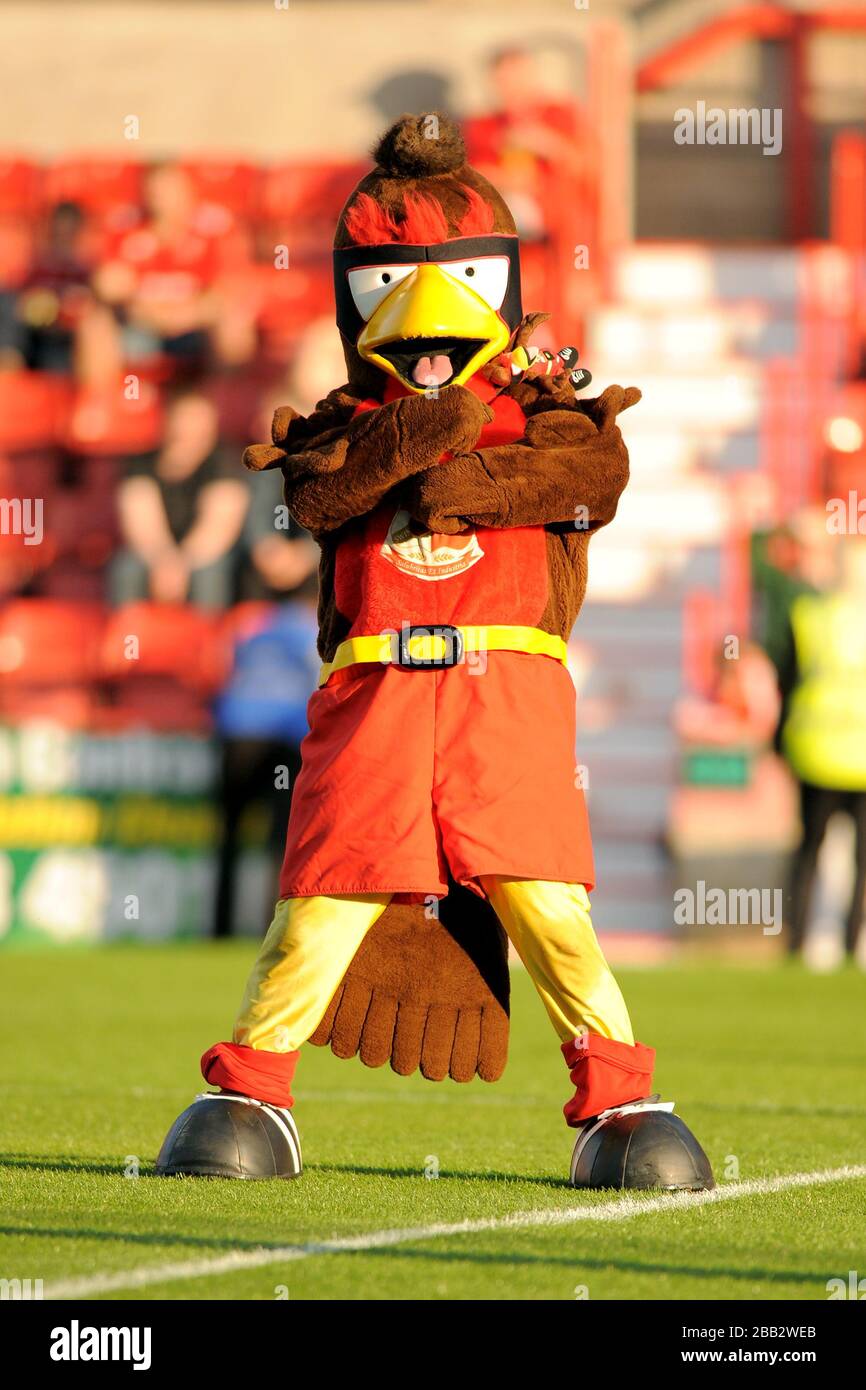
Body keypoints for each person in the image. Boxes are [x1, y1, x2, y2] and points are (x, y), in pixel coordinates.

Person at [780, 533, 866, 960]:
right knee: (862, 862)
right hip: (857, 758)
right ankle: (851, 948)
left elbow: (787, 680)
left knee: (808, 851)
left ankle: (795, 944)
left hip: (817, 753)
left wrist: (779, 745)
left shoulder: (810, 616)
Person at [112, 386, 249, 608]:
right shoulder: (140, 464)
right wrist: (164, 561)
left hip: (203, 553)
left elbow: (218, 529)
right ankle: (127, 636)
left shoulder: (225, 464)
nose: (189, 429)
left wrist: (182, 564)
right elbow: (141, 524)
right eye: (184, 419)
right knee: (127, 567)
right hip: (157, 553)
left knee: (209, 572)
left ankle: (208, 638)